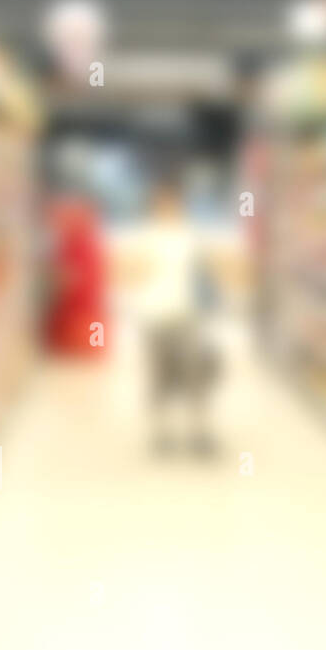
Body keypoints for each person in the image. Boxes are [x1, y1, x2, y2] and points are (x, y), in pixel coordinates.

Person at [115, 183, 222, 455]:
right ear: (153, 206)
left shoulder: (191, 236)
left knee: (194, 375)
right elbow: (129, 274)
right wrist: (138, 270)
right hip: (153, 315)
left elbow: (207, 272)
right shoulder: (143, 236)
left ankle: (199, 432)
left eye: (172, 203)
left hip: (187, 315)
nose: (167, 208)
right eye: (162, 203)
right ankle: (161, 434)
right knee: (157, 376)